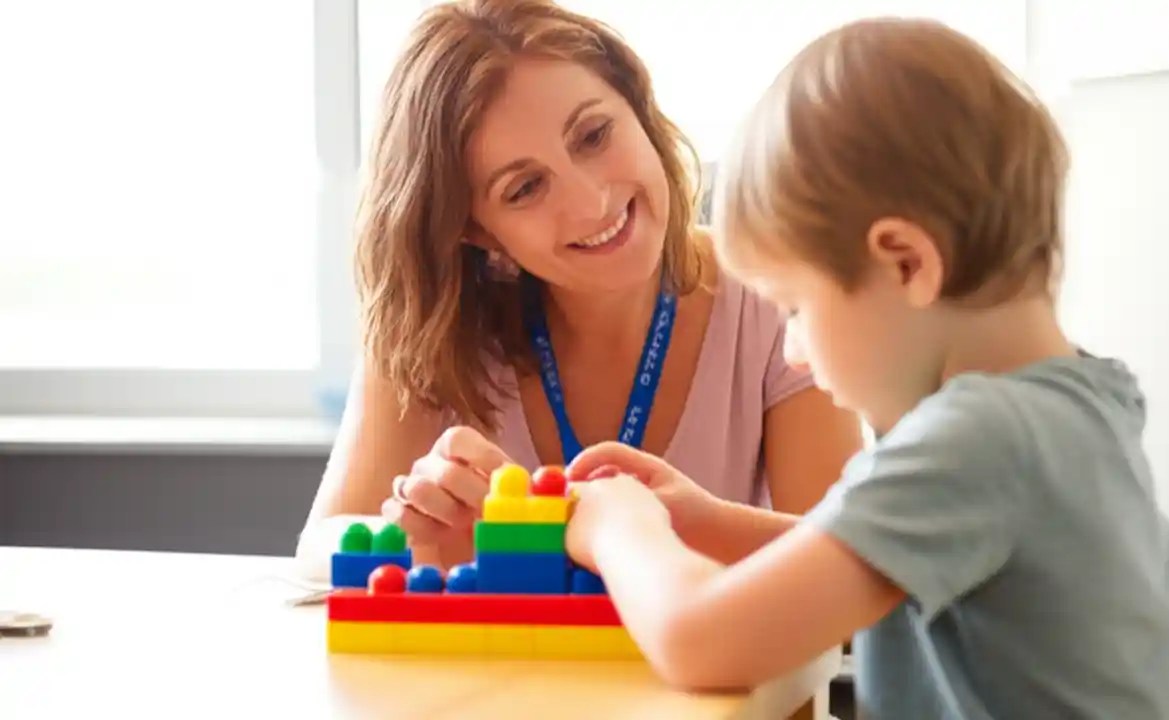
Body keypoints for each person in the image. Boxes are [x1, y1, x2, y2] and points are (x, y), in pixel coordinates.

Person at [562, 17, 1169, 719]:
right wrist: (704, 522)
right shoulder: (1079, 401)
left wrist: (618, 529)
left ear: (905, 263)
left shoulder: (975, 437)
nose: (794, 346)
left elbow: (700, 642)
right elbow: (889, 560)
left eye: (796, 307)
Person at [294, 0, 861, 574]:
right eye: (525, 188)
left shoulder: (773, 293)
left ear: (638, 106)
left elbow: (852, 570)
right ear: (475, 229)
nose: (591, 204)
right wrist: (410, 531)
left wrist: (573, 538)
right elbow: (320, 547)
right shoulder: (438, 320)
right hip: (502, 668)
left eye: (593, 135)